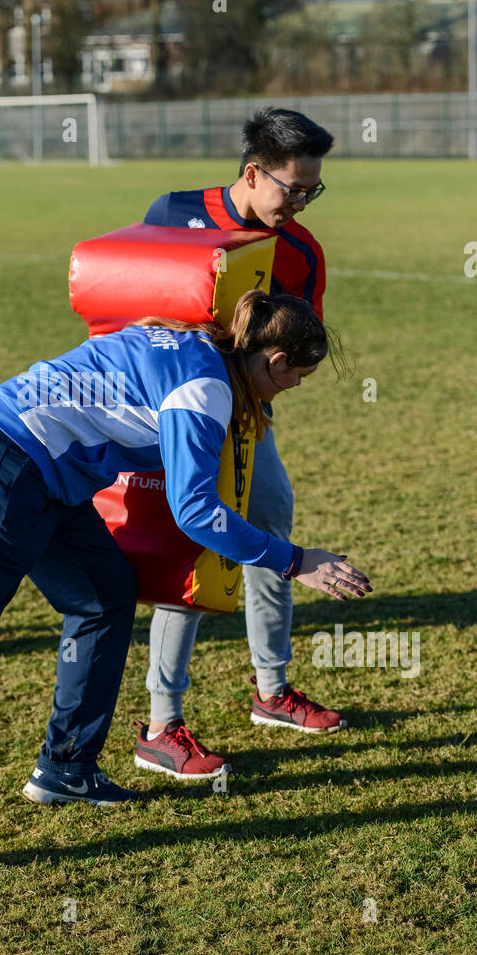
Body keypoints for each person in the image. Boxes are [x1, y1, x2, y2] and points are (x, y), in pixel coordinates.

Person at [0, 290, 371, 878]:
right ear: (273, 361)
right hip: (3, 466)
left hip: (35, 470)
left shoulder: (201, 346)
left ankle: (66, 766)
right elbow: (195, 511)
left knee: (103, 594)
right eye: (299, 376)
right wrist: (295, 560)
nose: (292, 389)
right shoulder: (207, 389)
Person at [133, 106, 340, 784]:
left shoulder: (300, 251)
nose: (301, 202)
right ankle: (161, 724)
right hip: (176, 416)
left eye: (313, 188)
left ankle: (271, 691)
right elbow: (135, 301)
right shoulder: (174, 213)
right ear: (252, 172)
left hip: (245, 417)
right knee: (191, 541)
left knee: (271, 523)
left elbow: (288, 352)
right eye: (292, 188)